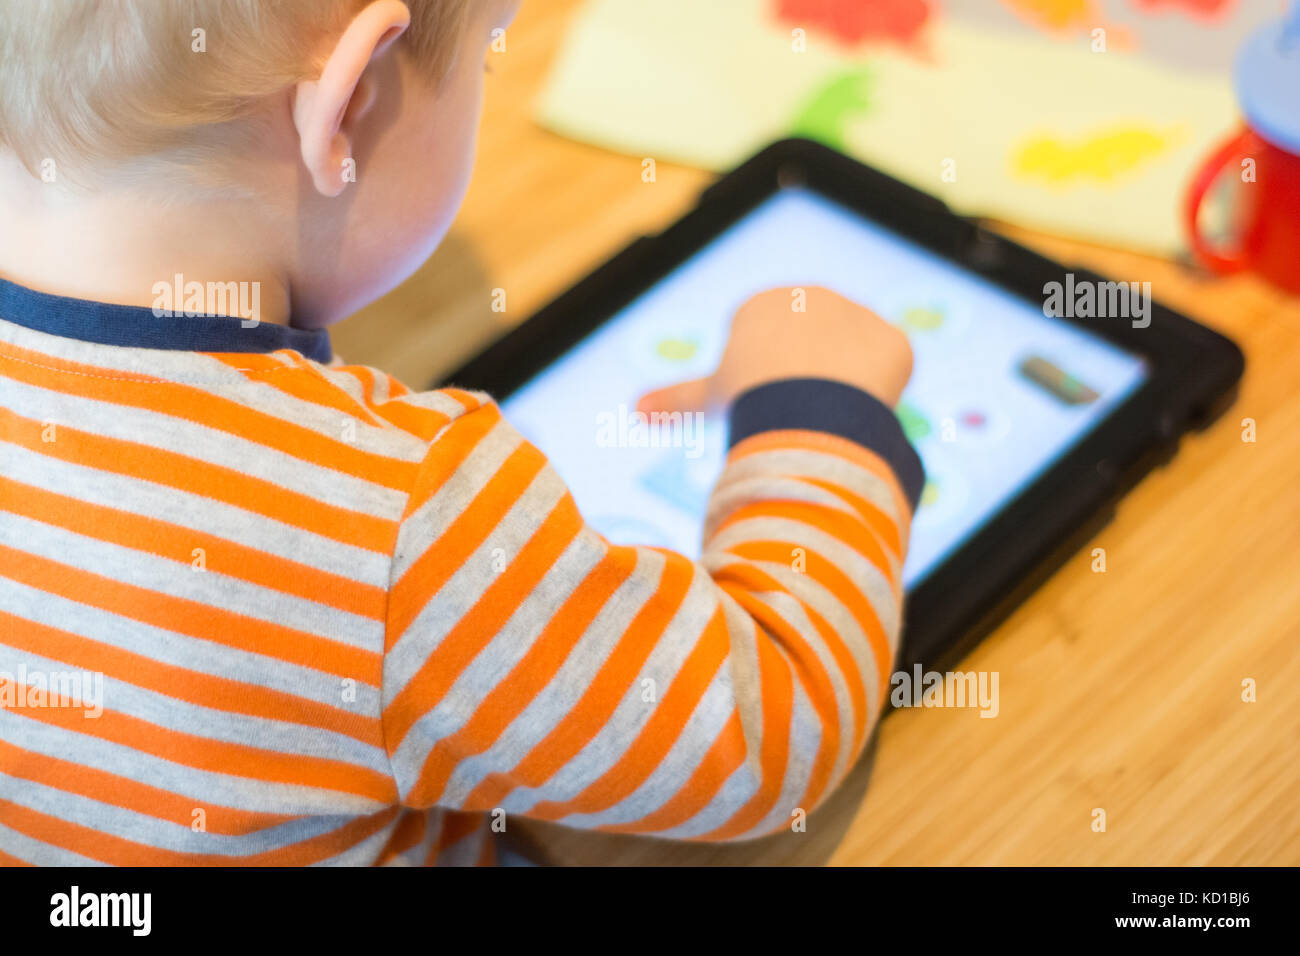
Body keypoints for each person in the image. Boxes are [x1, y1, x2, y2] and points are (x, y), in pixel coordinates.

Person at [0, 0, 921, 865]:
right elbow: (763, 732)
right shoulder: (398, 527)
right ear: (349, 102)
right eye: (489, 47)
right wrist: (816, 406)